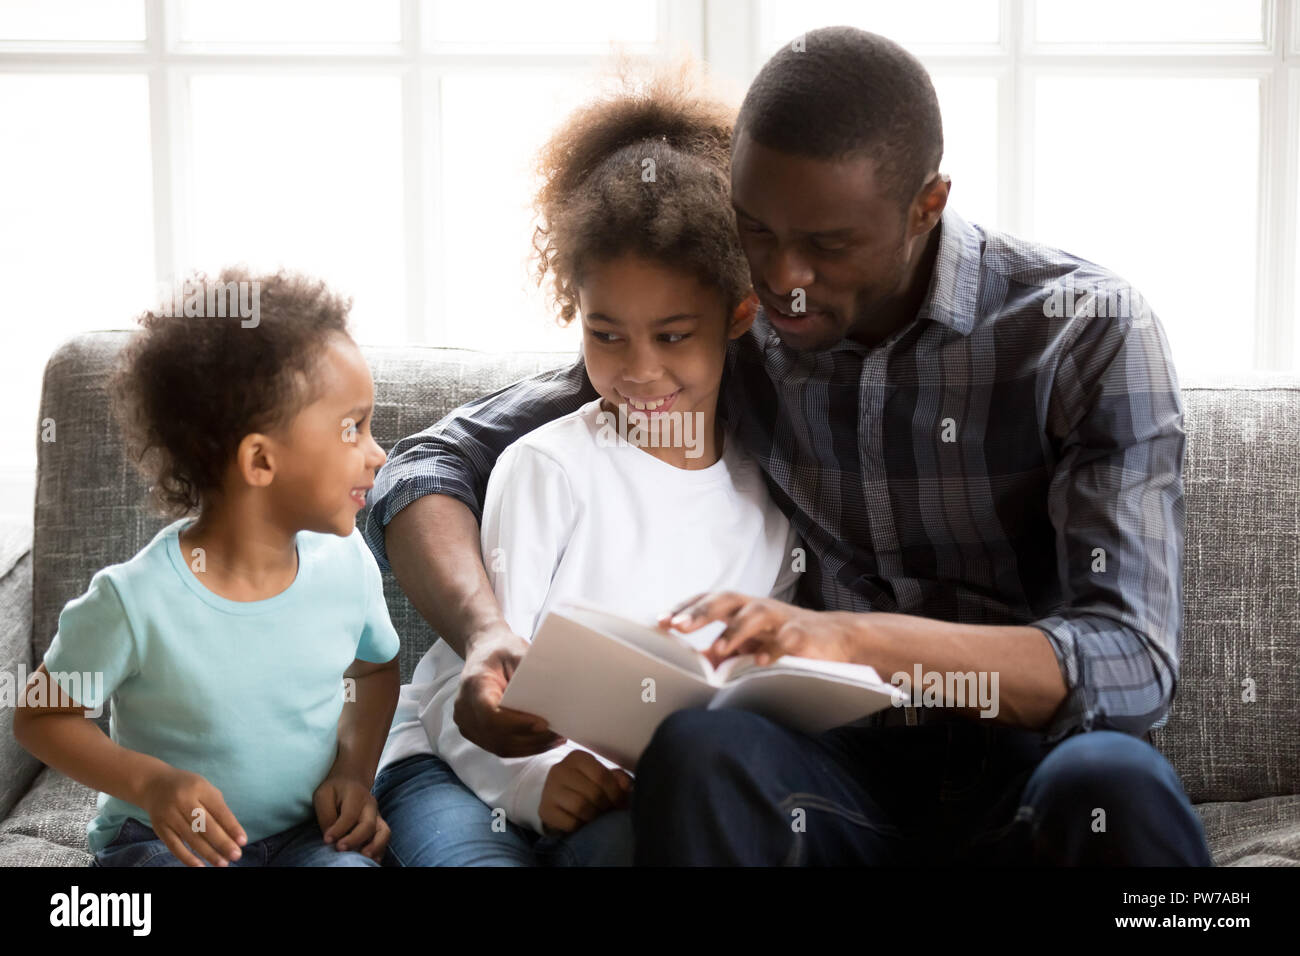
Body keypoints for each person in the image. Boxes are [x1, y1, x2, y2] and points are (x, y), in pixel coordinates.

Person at [365, 27, 1212, 865]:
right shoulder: (733, 334)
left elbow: (1130, 661)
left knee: (1113, 783)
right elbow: (428, 466)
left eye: (828, 245)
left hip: (1029, 768)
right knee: (700, 749)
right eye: (757, 232)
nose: (784, 279)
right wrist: (485, 633)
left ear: (928, 205)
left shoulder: (1082, 332)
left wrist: (849, 638)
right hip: (838, 774)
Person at [371, 65, 801, 866]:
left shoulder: (770, 505)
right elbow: (476, 696)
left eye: (673, 336)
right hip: (454, 766)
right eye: (606, 335)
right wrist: (533, 784)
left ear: (739, 317)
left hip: (621, 786)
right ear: (576, 312)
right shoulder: (548, 467)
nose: (638, 370)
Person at [14, 268, 401, 867]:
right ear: (260, 461)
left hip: (304, 837)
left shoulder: (347, 564)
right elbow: (40, 716)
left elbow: (375, 673)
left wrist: (353, 773)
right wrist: (151, 784)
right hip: (167, 845)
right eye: (354, 428)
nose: (378, 452)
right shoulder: (134, 600)